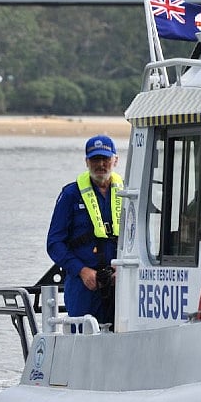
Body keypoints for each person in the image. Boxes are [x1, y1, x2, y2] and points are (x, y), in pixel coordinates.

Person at [47, 135, 123, 328]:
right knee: (81, 335)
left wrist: (122, 270)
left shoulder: (127, 193)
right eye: (95, 160)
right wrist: (81, 270)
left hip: (120, 283)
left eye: (105, 159)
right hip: (83, 285)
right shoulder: (70, 195)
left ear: (115, 160)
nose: (101, 165)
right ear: (87, 162)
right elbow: (54, 244)